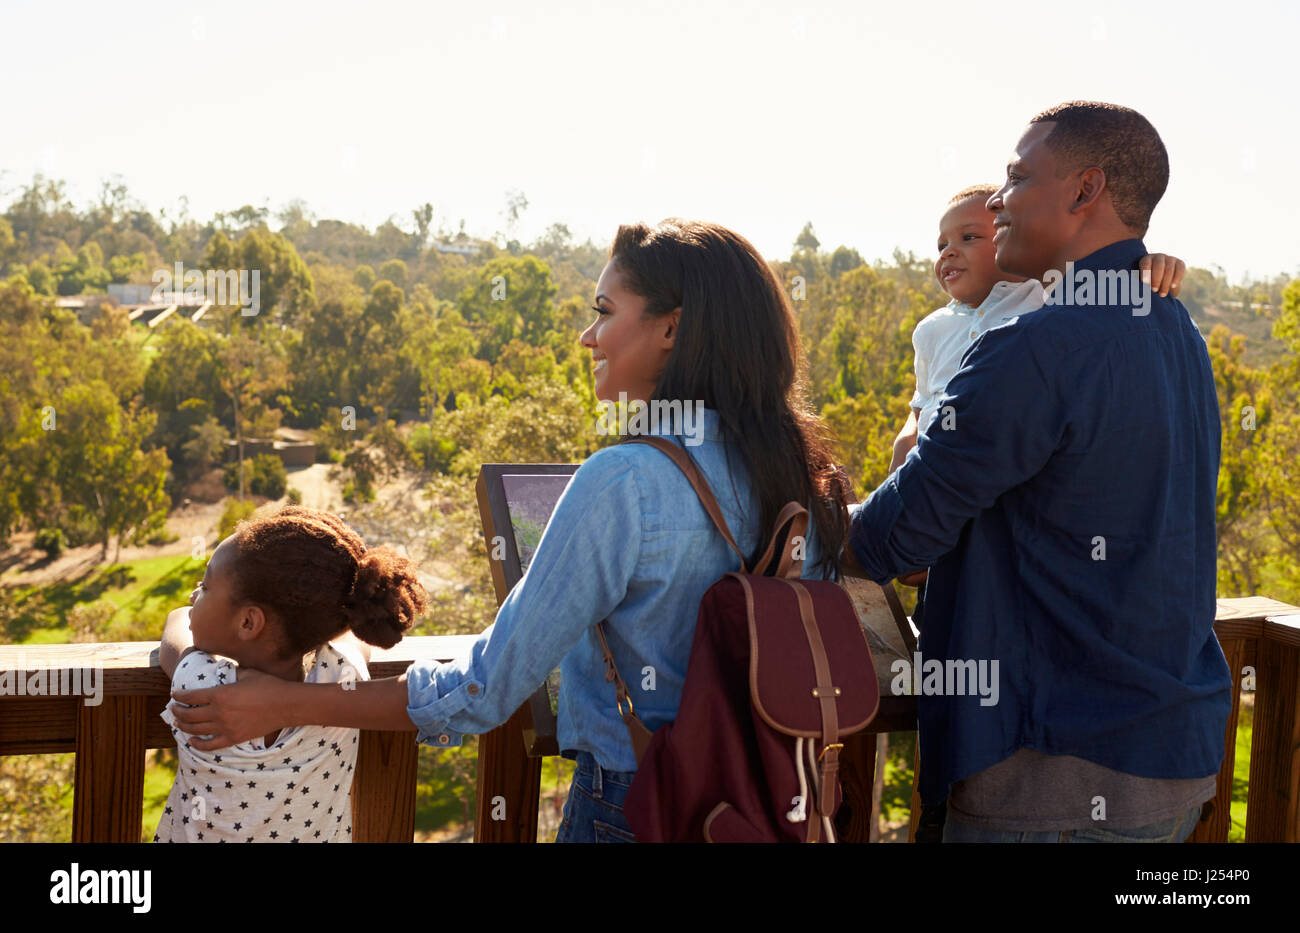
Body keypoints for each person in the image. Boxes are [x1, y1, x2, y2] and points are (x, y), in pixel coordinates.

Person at [170, 219, 853, 843]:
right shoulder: (803, 477)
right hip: (770, 803)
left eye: (604, 313)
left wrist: (284, 702)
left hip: (636, 806)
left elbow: (484, 690)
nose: (588, 337)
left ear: (671, 329)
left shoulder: (623, 482)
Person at [846, 101, 1231, 842]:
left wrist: (797, 537)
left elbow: (895, 535)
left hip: (1054, 780)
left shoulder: (1036, 348)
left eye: (1017, 176)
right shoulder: (1176, 330)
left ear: (1085, 190)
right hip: (1173, 764)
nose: (997, 199)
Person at [894, 183, 1186, 842]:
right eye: (941, 242)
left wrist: (1154, 264)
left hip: (1004, 574)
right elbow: (916, 427)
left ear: (1009, 243)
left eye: (971, 236)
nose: (950, 252)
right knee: (944, 710)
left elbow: (1101, 276)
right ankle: (940, 794)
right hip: (944, 552)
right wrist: (910, 453)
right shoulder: (933, 330)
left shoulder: (1040, 306)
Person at [155, 506, 426, 842]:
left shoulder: (204, 686)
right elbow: (348, 632)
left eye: (205, 586)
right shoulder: (343, 677)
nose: (198, 594)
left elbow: (177, 625)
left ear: (247, 622)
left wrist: (191, 608)